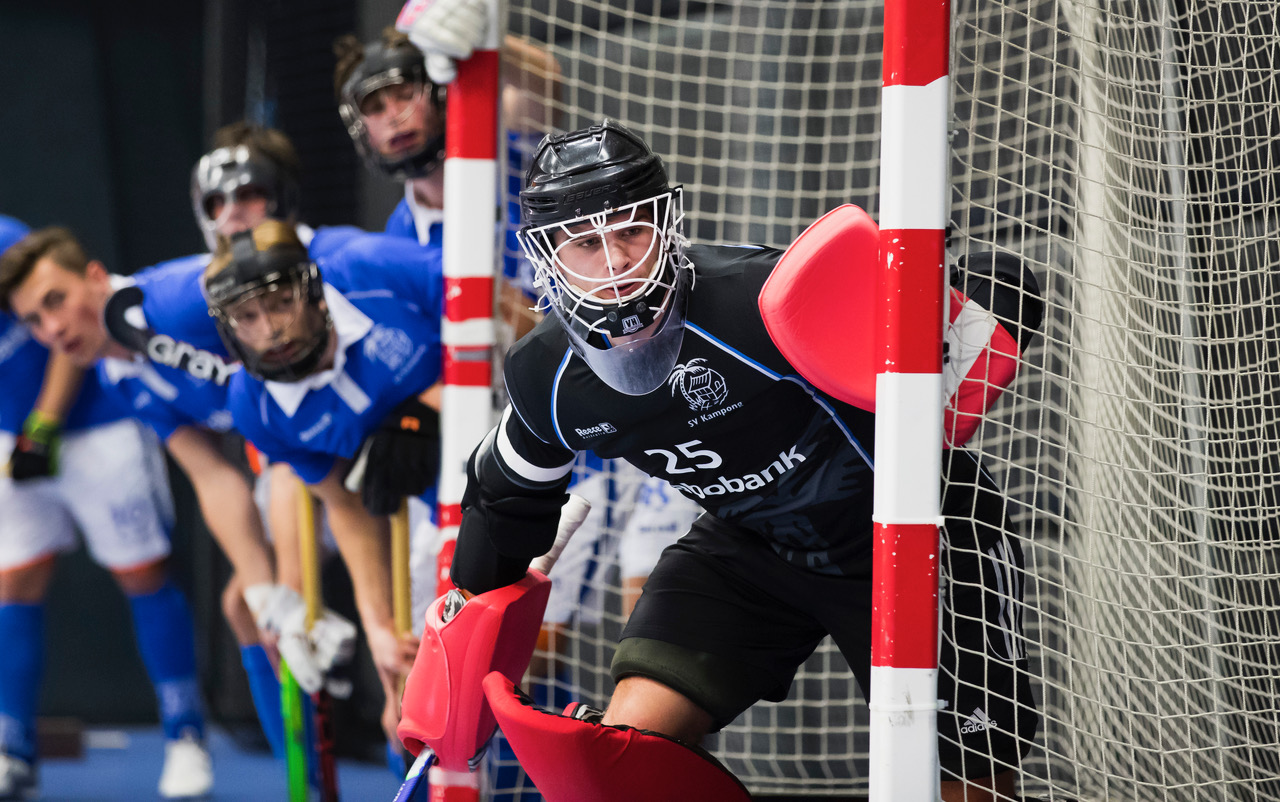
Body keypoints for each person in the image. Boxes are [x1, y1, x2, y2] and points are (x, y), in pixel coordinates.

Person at [397, 120, 1044, 802]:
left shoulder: (758, 300)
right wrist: (457, 654)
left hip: (914, 530)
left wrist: (949, 336)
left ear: (666, 223)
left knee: (970, 788)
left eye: (630, 231)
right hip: (753, 547)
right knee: (624, 762)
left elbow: (1011, 282)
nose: (614, 263)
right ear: (549, 257)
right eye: (586, 243)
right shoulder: (546, 374)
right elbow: (503, 505)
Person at [202, 219, 447, 754]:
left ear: (311, 288)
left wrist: (430, 407)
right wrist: (379, 626)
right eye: (247, 316)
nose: (269, 329)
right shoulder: (255, 406)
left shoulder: (371, 267)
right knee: (407, 707)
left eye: (281, 302)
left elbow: (505, 314)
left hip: (529, 461)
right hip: (434, 513)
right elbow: (344, 504)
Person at [0, 218, 214, 799]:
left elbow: (72, 325)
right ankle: (11, 749)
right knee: (14, 580)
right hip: (8, 438)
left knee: (141, 572)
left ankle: (185, 736)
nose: (42, 323)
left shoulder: (13, 246)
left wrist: (41, 428)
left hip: (100, 421)